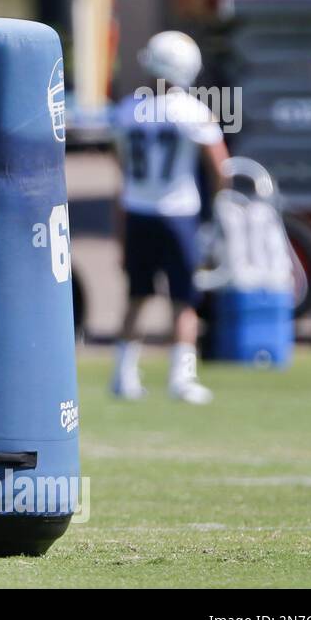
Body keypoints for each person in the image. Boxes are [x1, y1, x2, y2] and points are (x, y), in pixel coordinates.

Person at [110, 30, 229, 404]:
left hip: (137, 211)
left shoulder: (126, 111)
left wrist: (119, 229)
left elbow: (122, 171)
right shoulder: (194, 112)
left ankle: (124, 374)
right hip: (178, 214)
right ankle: (182, 378)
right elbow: (221, 170)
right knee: (184, 300)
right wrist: (217, 218)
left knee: (137, 295)